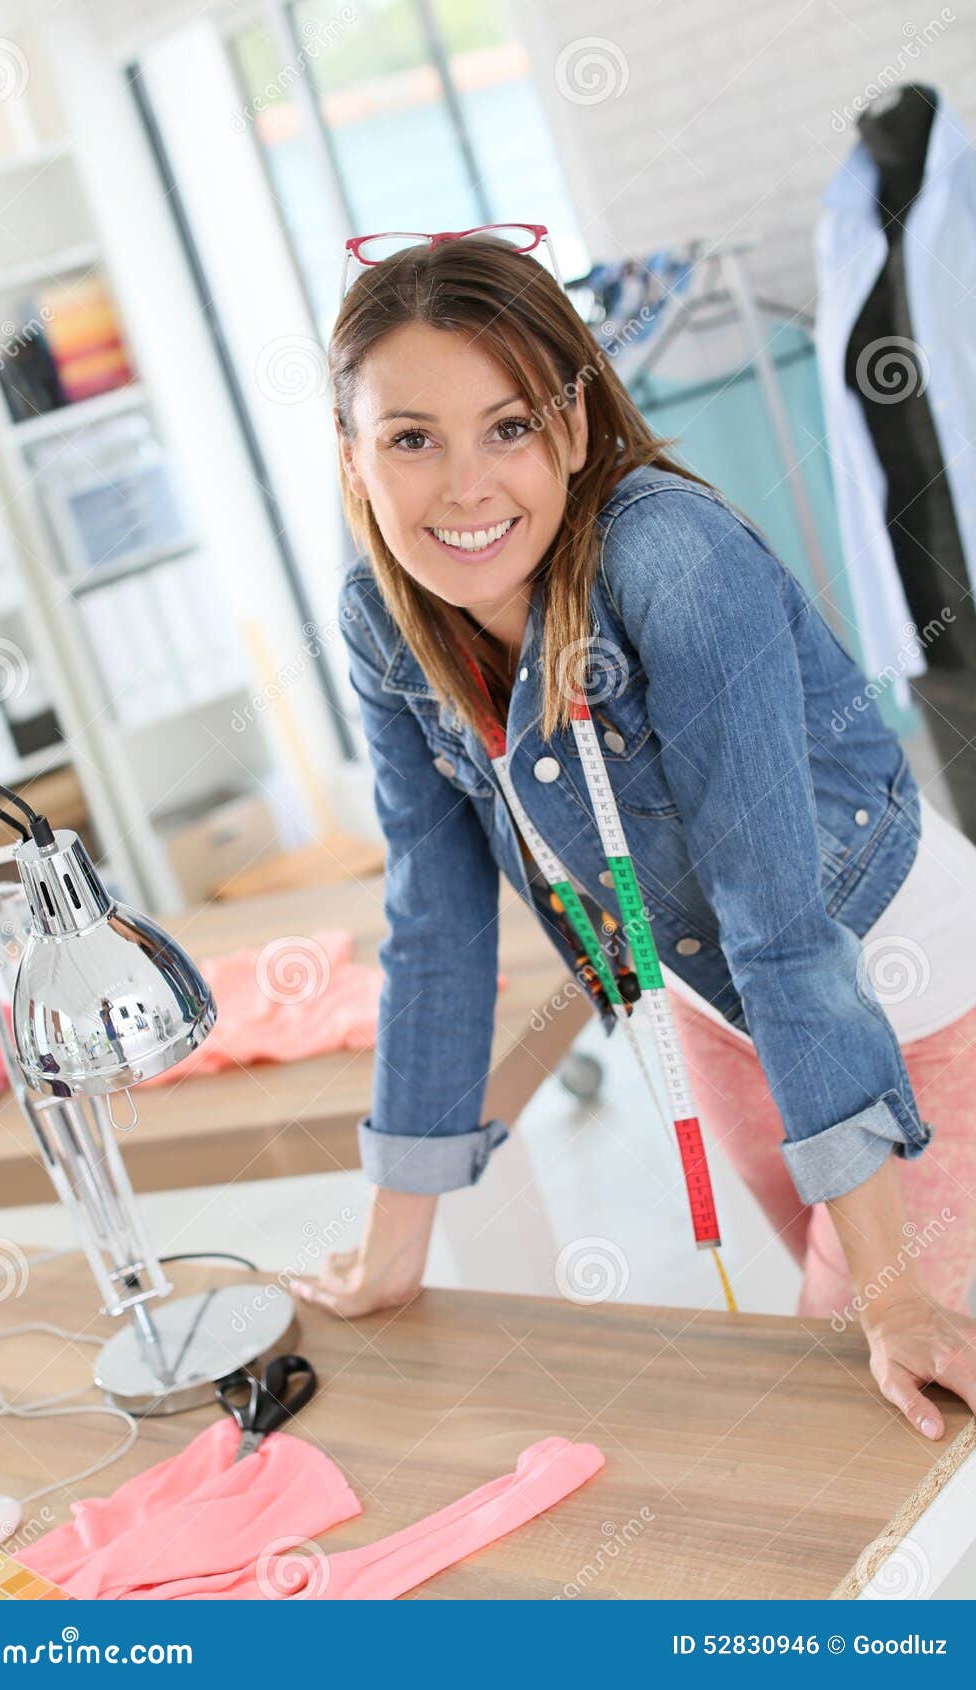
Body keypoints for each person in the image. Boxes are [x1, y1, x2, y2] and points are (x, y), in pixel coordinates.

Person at [289, 229, 976, 1441]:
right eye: (410, 438)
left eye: (506, 426)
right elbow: (433, 918)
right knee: (856, 1380)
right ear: (351, 457)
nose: (463, 486)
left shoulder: (672, 560)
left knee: (883, 1375)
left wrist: (889, 1292)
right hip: (711, 1020)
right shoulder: (383, 620)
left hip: (918, 1008)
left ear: (572, 422)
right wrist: (392, 1246)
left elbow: (780, 924)